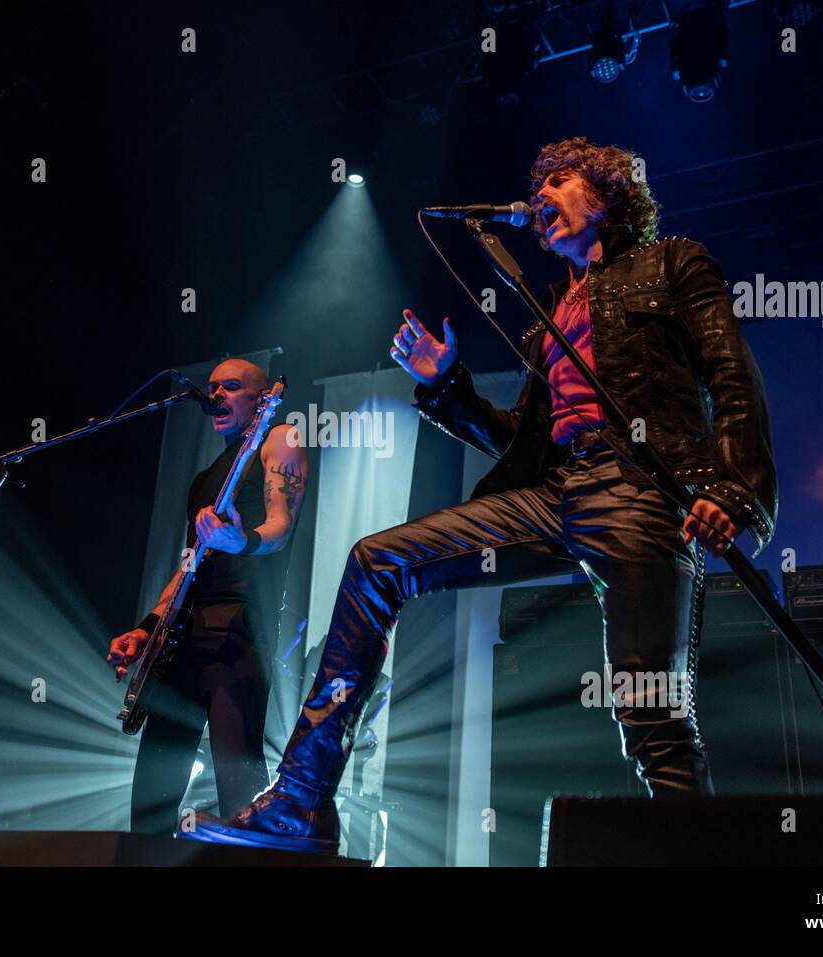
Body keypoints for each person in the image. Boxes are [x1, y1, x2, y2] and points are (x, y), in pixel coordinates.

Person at [186, 137, 778, 855]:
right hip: (558, 492)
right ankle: (301, 801)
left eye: (561, 180)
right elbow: (520, 444)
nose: (543, 195)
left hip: (639, 492)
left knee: (648, 710)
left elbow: (732, 376)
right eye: (539, 184)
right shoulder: (549, 319)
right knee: (378, 561)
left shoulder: (672, 263)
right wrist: (445, 384)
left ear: (610, 191)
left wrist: (732, 489)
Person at [108, 358, 307, 834]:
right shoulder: (204, 479)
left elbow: (282, 524)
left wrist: (244, 541)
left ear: (262, 399)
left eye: (231, 387)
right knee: (152, 792)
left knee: (237, 781)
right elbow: (187, 566)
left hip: (239, 629)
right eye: (212, 387)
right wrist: (146, 627)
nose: (215, 394)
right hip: (181, 639)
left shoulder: (280, 439)